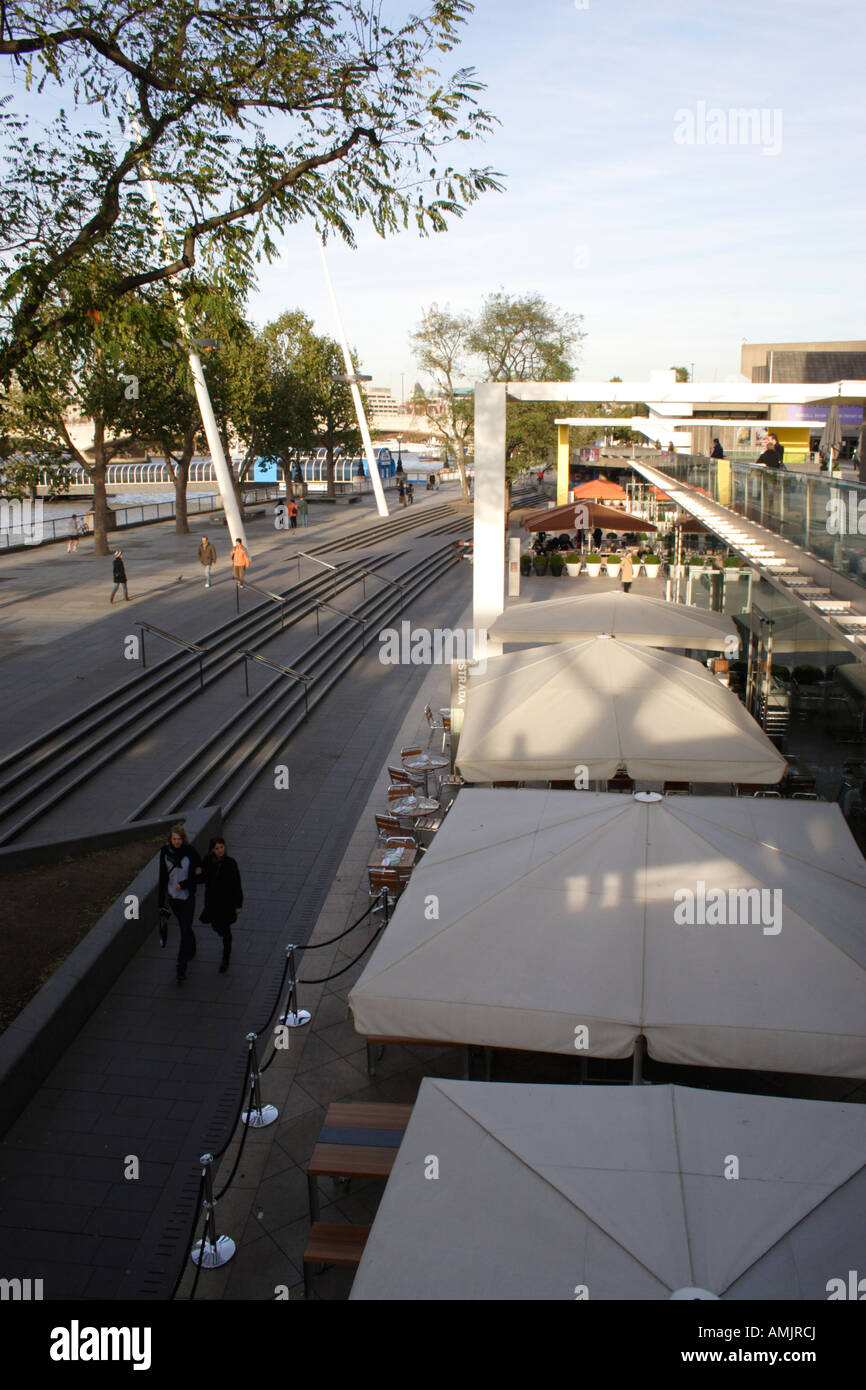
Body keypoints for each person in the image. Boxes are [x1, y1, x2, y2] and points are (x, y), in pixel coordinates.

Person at [158, 824, 203, 982]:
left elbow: (200, 873)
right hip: (173, 898)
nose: (177, 842)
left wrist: (184, 884)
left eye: (179, 839)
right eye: (174, 839)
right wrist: (160, 903)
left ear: (184, 839)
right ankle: (192, 945)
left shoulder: (190, 852)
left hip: (187, 897)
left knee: (184, 931)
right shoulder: (165, 852)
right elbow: (162, 877)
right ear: (170, 840)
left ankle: (181, 967)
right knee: (185, 926)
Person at [200, 837, 244, 973]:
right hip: (213, 902)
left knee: (225, 931)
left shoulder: (230, 863)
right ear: (212, 849)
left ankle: (226, 957)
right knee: (217, 926)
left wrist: (238, 904)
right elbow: (203, 878)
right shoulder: (207, 861)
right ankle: (224, 938)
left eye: (221, 847)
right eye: (217, 848)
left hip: (226, 902)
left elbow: (237, 884)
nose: (220, 851)